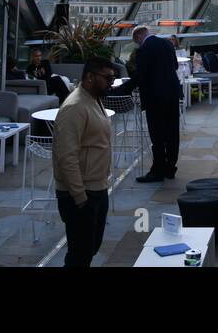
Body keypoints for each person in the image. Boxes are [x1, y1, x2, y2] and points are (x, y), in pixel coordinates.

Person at [52, 60, 117, 267]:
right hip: (80, 193)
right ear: (90, 77)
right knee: (79, 254)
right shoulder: (74, 107)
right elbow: (66, 156)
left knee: (90, 248)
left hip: (96, 187)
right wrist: (80, 197)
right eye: (108, 78)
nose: (111, 83)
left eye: (113, 78)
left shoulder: (94, 99)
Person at [121, 25, 181, 182]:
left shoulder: (144, 50)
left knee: (158, 135)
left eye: (136, 41)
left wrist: (120, 90)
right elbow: (174, 66)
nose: (137, 44)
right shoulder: (167, 44)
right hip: (172, 95)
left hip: (155, 99)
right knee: (172, 133)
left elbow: (140, 76)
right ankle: (170, 168)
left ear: (139, 36)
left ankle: (158, 171)